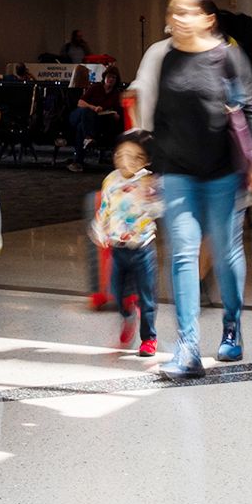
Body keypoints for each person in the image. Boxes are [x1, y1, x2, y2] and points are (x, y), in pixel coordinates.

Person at [130, 0, 252, 379]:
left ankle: (232, 325)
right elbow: (157, 117)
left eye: (186, 13)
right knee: (182, 253)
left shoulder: (227, 55)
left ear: (207, 19)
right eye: (172, 12)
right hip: (178, 172)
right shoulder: (166, 58)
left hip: (222, 172)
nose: (177, 19)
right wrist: (151, 170)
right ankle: (188, 347)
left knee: (226, 254)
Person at [90, 134, 160, 356]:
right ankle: (127, 315)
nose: (124, 160)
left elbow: (160, 209)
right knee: (118, 292)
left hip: (143, 249)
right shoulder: (111, 180)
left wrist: (148, 200)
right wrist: (99, 230)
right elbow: (104, 209)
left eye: (132, 156)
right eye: (120, 155)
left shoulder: (148, 181)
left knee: (147, 296)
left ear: (143, 160)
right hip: (118, 249)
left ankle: (149, 338)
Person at [68, 61, 124, 169]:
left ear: (116, 80)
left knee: (81, 127)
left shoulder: (116, 94)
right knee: (86, 111)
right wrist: (93, 107)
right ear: (104, 77)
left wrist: (115, 114)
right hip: (79, 114)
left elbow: (118, 111)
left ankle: (78, 161)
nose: (110, 79)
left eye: (113, 77)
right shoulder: (96, 87)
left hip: (94, 120)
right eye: (109, 76)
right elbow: (80, 102)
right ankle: (88, 137)